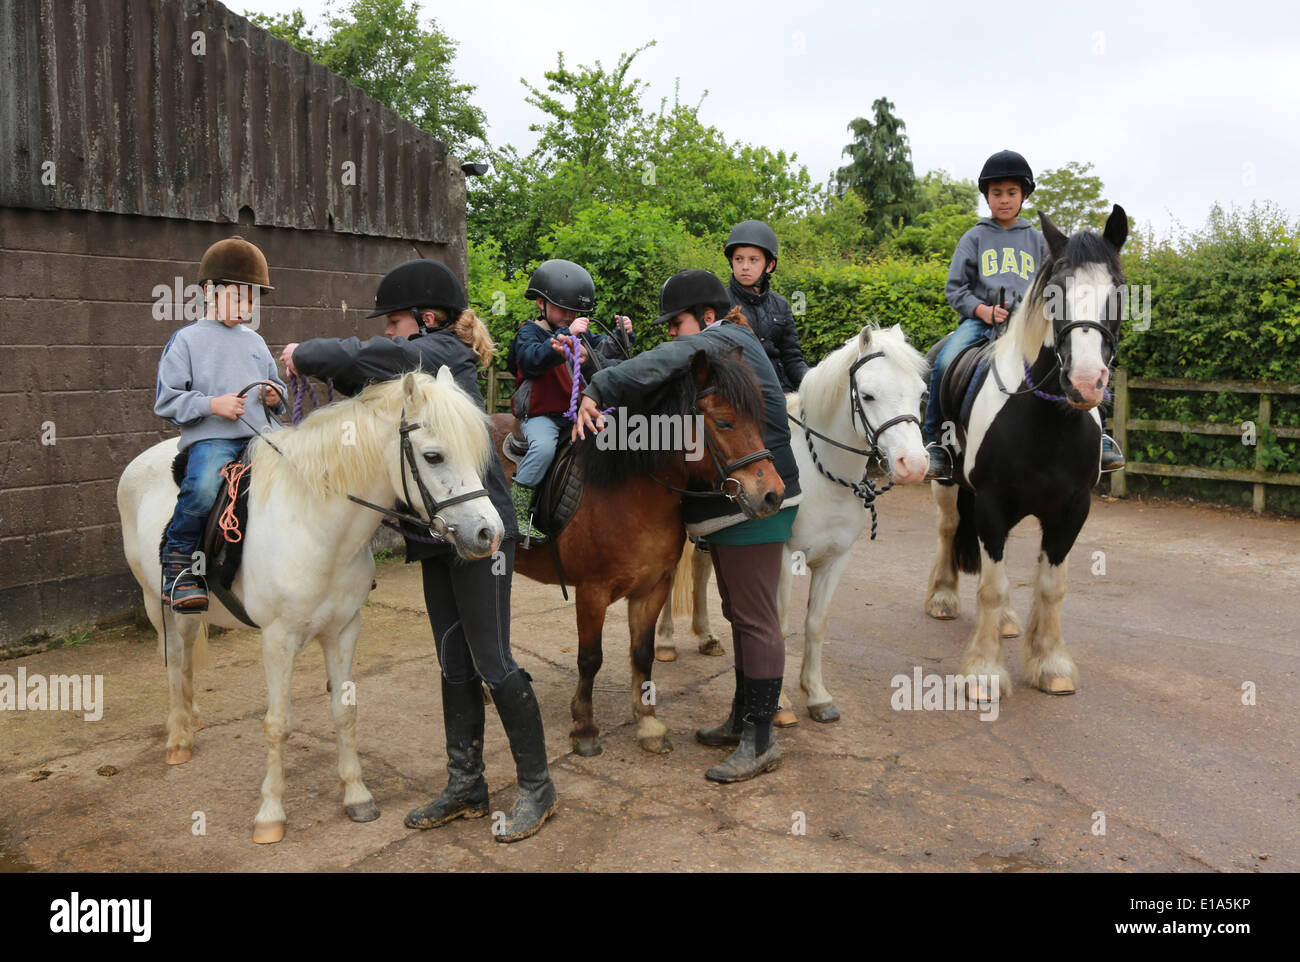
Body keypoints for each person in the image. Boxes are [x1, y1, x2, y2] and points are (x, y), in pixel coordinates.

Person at [281, 259, 555, 843]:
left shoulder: (441, 356)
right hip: (439, 537)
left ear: (426, 319)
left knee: (493, 660)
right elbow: (365, 386)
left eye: (394, 320)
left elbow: (357, 359)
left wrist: (303, 352)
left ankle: (538, 786)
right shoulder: (415, 367)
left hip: (481, 535)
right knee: (454, 663)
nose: (388, 331)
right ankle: (467, 784)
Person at [571, 269, 801, 783]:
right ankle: (744, 720)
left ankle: (761, 738)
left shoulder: (725, 337)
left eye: (677, 323)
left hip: (757, 496)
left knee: (756, 618)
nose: (672, 334)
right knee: (742, 613)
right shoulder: (725, 353)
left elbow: (665, 363)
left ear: (708, 317)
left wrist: (598, 386)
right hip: (736, 499)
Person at [924, 150, 1124, 479]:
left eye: (1012, 193)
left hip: (1031, 325)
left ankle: (1099, 438)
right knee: (944, 361)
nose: (1004, 200)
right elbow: (955, 288)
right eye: (997, 193)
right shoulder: (973, 238)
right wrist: (983, 310)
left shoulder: (1038, 239)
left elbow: (1059, 285)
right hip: (981, 322)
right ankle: (937, 444)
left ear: (1024, 196)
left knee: (1082, 359)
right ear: (987, 196)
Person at [154, 237, 285, 612]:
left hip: (264, 436)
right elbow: (167, 400)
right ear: (211, 291)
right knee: (203, 486)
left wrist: (274, 395)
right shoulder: (186, 341)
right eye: (238, 298)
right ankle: (178, 566)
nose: (246, 308)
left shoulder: (255, 341)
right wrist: (213, 404)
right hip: (215, 439)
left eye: (251, 299)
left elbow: (274, 387)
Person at [505, 259, 633, 544]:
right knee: (543, 449)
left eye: (574, 311)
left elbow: (606, 351)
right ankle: (516, 512)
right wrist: (566, 335)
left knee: (618, 438)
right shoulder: (529, 332)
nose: (568, 315)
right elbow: (532, 360)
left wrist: (624, 334)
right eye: (562, 308)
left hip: (574, 414)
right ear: (541, 303)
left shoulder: (580, 332)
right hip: (542, 416)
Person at [725, 220, 809, 392]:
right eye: (739, 259)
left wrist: (812, 382)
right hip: (740, 394)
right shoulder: (720, 303)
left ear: (769, 265)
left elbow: (792, 357)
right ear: (732, 262)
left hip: (782, 391)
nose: (745, 266)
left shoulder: (781, 305)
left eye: (753, 260)